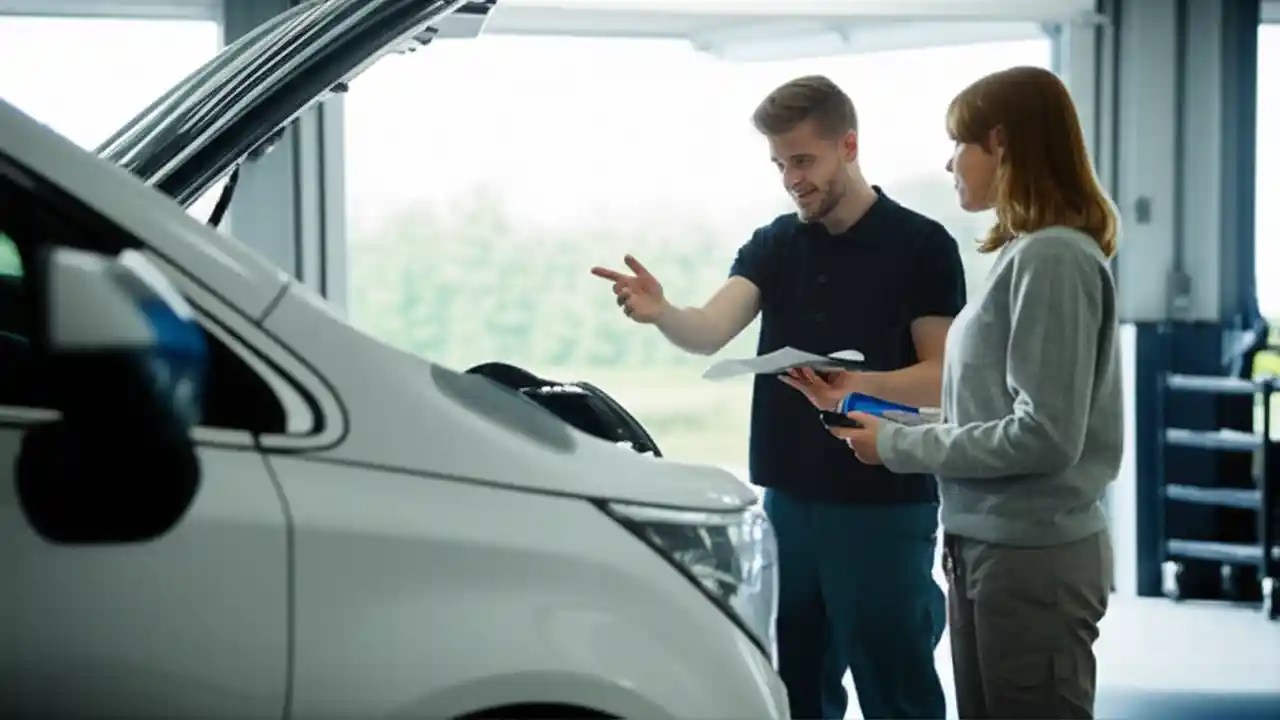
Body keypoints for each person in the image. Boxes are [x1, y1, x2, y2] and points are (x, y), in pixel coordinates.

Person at [590, 75, 966, 720]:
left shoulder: (923, 245)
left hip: (883, 499)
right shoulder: (775, 242)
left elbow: (940, 376)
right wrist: (661, 312)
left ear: (848, 145)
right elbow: (708, 331)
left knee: (896, 687)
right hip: (788, 501)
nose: (792, 179)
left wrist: (853, 387)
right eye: (779, 164)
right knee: (793, 686)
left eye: (803, 161)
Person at [812, 65, 1122, 719]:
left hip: (1032, 555)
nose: (950, 162)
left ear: (1001, 144)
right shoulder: (1022, 254)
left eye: (959, 144)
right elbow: (992, 414)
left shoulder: (1054, 258)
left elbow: (1044, 436)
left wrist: (897, 444)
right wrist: (876, 412)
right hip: (991, 544)